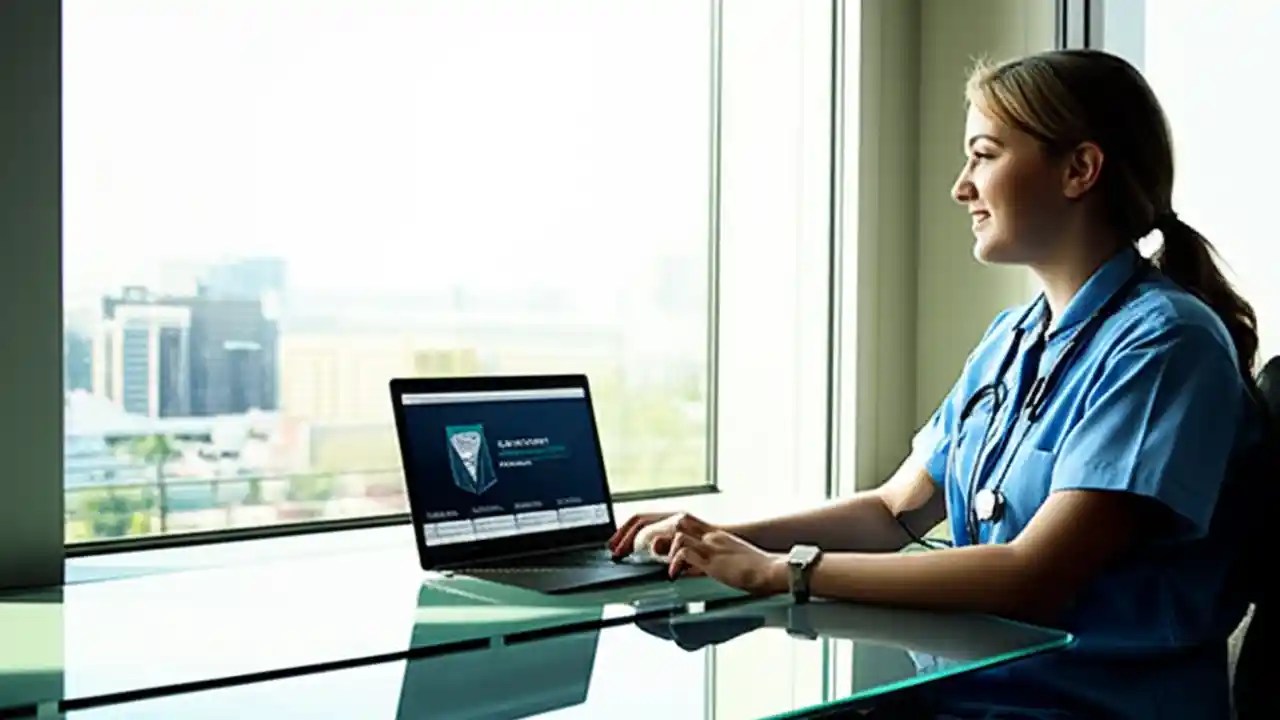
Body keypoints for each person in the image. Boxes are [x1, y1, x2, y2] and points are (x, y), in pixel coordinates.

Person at [609, 49, 1267, 718]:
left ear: (1079, 170)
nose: (961, 186)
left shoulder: (1167, 343)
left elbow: (1030, 577)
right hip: (968, 696)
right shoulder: (1010, 341)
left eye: (983, 154)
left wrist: (783, 572)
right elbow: (892, 512)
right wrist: (714, 537)